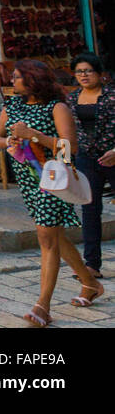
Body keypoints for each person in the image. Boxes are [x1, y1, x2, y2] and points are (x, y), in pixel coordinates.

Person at [0, 59, 103, 326]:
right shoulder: (12, 105)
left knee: (47, 238)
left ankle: (43, 306)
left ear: (33, 80)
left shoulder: (57, 107)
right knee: (53, 234)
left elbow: (69, 149)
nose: (12, 81)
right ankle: (90, 284)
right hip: (28, 177)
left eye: (17, 77)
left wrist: (34, 135)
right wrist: (10, 140)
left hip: (53, 178)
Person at [65, 52, 115, 280]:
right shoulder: (72, 99)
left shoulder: (112, 95)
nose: (83, 75)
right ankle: (92, 264)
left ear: (99, 73)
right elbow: (67, 131)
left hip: (112, 155)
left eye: (88, 71)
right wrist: (66, 161)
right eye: (79, 71)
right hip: (86, 158)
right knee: (90, 210)